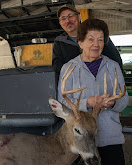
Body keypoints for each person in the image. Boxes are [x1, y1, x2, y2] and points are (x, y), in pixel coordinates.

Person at [57, 18, 128, 165]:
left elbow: (124, 100)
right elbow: (62, 103)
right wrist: (87, 103)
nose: (96, 44)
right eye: (91, 39)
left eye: (100, 40)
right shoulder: (69, 68)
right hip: (80, 141)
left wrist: (113, 103)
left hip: (110, 137)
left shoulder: (113, 67)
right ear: (80, 43)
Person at [52, 4, 123, 85]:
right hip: (76, 87)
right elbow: (57, 67)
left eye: (70, 16)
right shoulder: (59, 41)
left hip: (101, 84)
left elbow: (116, 61)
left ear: (79, 17)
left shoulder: (98, 35)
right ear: (60, 23)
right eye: (63, 18)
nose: (67, 20)